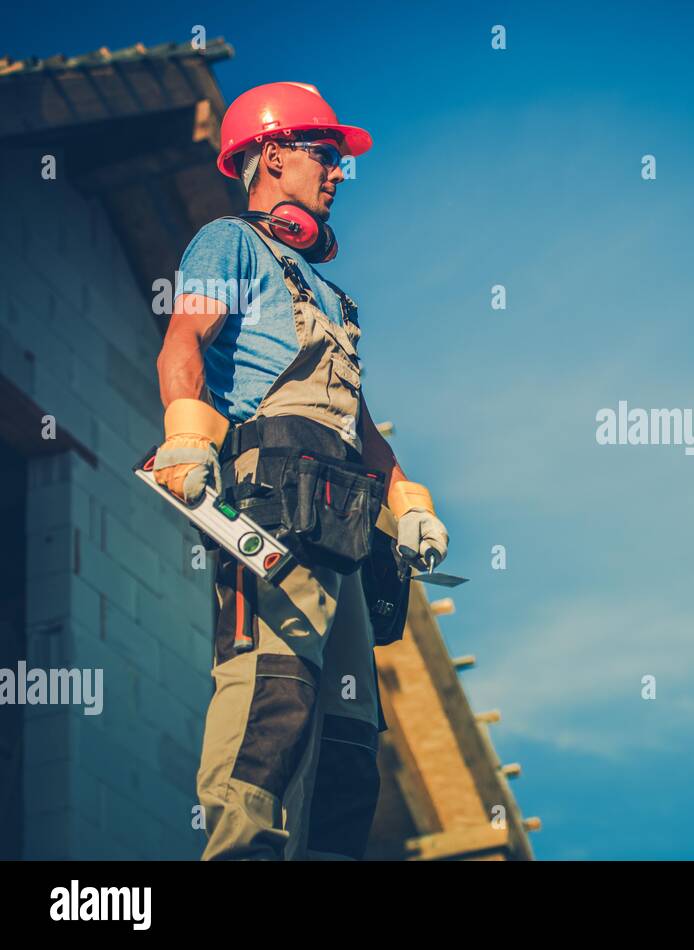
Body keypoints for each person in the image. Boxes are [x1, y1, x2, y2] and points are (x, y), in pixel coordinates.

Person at [153, 82, 448, 860]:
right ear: (271, 156)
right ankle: (239, 852)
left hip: (342, 518)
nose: (337, 172)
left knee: (352, 737)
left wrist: (409, 504)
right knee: (270, 693)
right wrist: (188, 440)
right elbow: (183, 342)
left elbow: (361, 429)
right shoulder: (230, 242)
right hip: (273, 503)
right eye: (325, 154)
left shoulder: (335, 297)